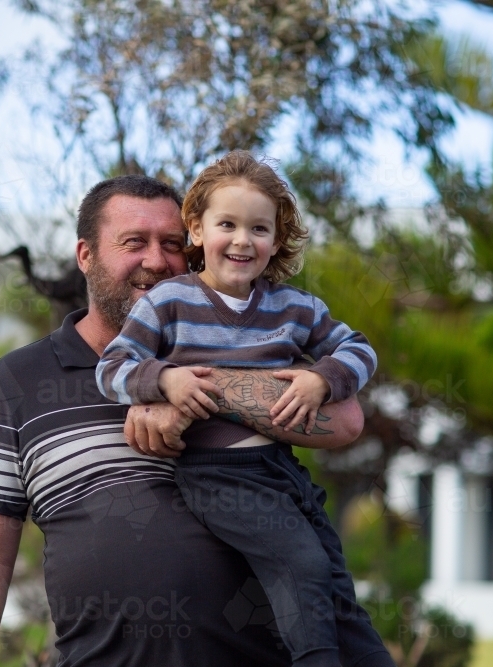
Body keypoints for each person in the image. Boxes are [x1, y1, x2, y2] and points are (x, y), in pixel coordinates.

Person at [0, 175, 368, 667]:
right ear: (86, 256)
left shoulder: (239, 341)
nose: (155, 261)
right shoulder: (20, 379)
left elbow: (346, 418)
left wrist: (189, 393)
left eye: (171, 244)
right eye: (133, 243)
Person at [95, 153, 391, 667]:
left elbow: (360, 350)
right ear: (196, 228)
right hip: (218, 476)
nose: (241, 240)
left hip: (280, 471)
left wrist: (325, 378)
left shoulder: (295, 308)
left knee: (335, 583)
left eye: (259, 228)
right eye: (226, 224)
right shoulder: (169, 302)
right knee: (301, 565)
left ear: (276, 240)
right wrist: (163, 378)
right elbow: (113, 367)